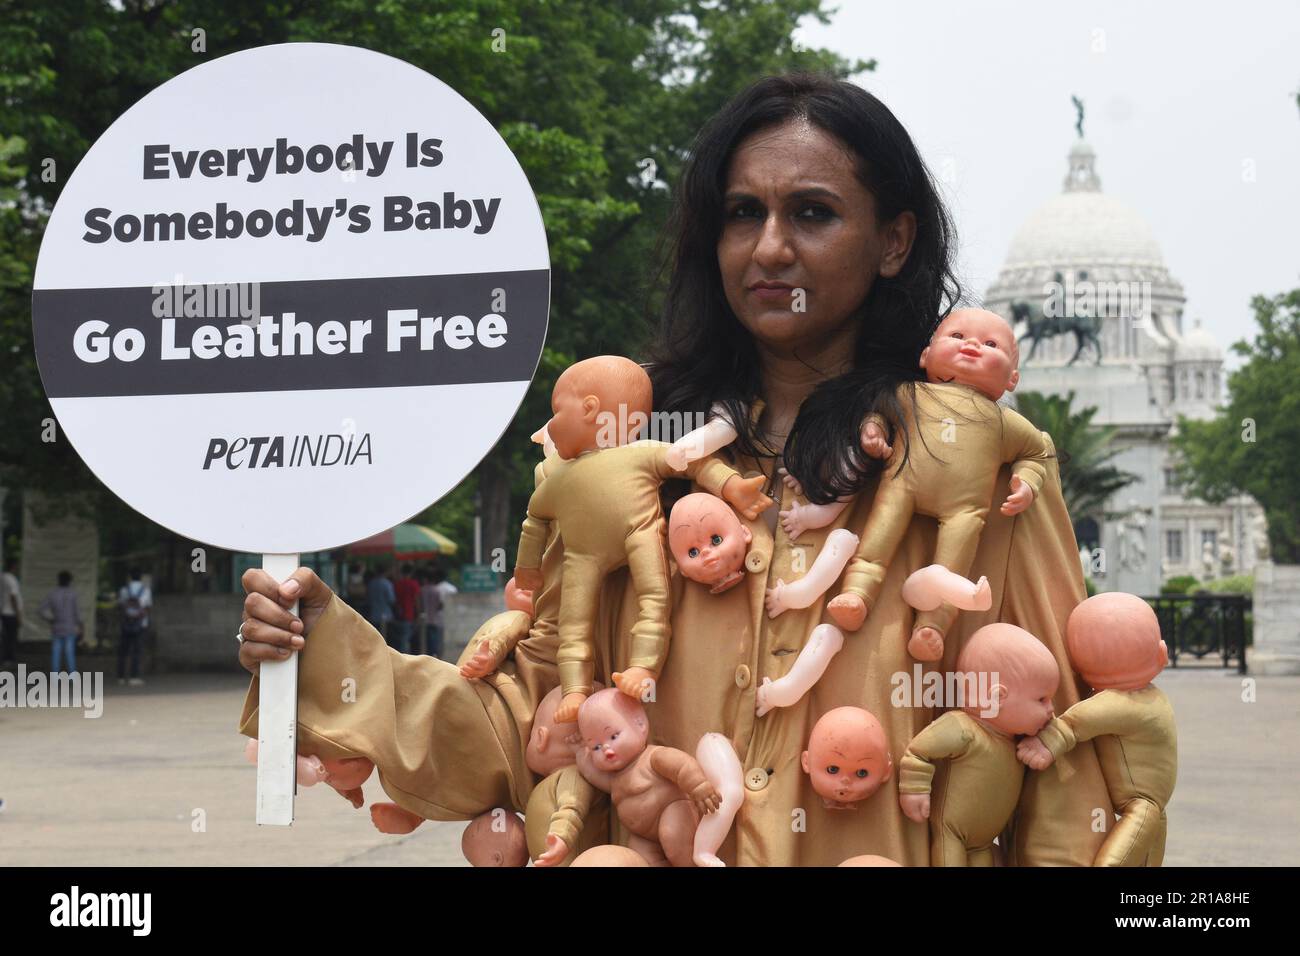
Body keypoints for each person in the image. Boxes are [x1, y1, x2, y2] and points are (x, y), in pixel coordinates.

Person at [236, 73, 1114, 866]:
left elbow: (1065, 763)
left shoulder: (968, 451)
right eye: (743, 214)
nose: (769, 248)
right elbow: (523, 726)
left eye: (812, 213)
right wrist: (322, 642)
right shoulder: (634, 462)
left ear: (893, 240)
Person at [39, 570, 82, 674]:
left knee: (56, 653)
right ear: (69, 581)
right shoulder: (73, 594)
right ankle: (72, 677)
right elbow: (77, 613)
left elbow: (41, 610)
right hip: (69, 628)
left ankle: (55, 677)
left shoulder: (52, 594)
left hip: (57, 627)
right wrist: (80, 625)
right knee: (70, 653)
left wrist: (50, 618)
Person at [117, 569, 152, 686]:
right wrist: (139, 615)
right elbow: (147, 607)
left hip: (126, 623)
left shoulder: (124, 590)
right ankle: (134, 677)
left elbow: (121, 606)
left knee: (123, 651)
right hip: (140, 624)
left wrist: (128, 615)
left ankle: (121, 677)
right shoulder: (146, 590)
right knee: (137, 651)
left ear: (130, 577)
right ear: (141, 577)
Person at [390, 563, 419, 655]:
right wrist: (418, 613)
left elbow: (394, 600)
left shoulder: (397, 584)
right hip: (410, 614)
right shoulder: (414, 584)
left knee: (400, 639)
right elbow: (416, 600)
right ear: (411, 573)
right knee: (406, 639)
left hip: (398, 615)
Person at [364, 564, 396, 645]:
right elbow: (391, 600)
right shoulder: (387, 584)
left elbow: (368, 600)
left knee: (375, 641)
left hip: (373, 615)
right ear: (385, 572)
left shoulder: (371, 584)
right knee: (386, 640)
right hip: (386, 616)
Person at [418, 569, 444, 659]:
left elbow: (419, 604)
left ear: (426, 579)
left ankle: (425, 655)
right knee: (434, 640)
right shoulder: (436, 590)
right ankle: (434, 655)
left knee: (424, 640)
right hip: (434, 619)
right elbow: (440, 605)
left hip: (423, 619)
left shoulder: (422, 590)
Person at [1, 557, 21, 667]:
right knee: (11, 637)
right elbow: (13, 597)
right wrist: (18, 614)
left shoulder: (2, 577)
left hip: (4, 610)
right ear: (13, 566)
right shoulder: (12, 579)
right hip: (11, 612)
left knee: (6, 636)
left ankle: (6, 658)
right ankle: (9, 659)